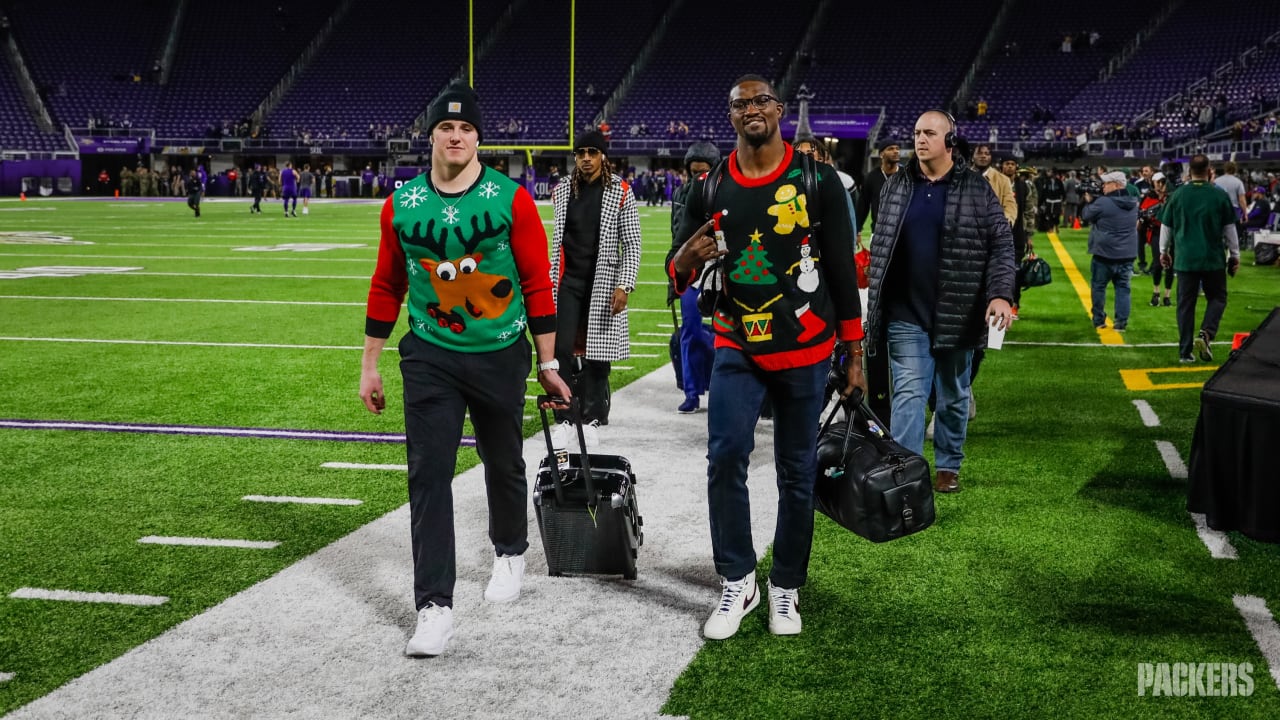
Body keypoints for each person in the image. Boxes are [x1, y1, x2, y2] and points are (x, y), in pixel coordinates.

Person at [359, 81, 570, 658]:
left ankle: (509, 551)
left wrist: (549, 361)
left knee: (502, 458)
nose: (456, 137)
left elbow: (535, 282)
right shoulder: (401, 205)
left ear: (479, 137)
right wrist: (370, 364)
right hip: (430, 353)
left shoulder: (511, 197)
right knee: (428, 472)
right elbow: (387, 285)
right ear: (431, 136)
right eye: (446, 128)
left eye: (466, 129)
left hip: (500, 349)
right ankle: (433, 605)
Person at [669, 74, 866, 640]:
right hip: (737, 339)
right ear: (729, 116)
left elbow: (842, 274)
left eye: (760, 101)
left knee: (796, 471)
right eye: (740, 104)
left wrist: (855, 354)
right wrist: (686, 254)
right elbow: (677, 271)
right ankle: (738, 579)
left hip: (806, 346)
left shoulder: (818, 180)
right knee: (725, 455)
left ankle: (786, 586)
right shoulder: (709, 188)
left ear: (778, 110)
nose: (751, 109)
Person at [866, 110, 1016, 495]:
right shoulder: (895, 186)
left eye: (929, 133)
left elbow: (1001, 243)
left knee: (952, 396)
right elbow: (882, 247)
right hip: (906, 312)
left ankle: (949, 466)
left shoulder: (975, 188)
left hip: (958, 311)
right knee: (910, 394)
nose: (920, 139)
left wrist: (1000, 294)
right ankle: (907, 472)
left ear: (949, 141)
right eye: (916, 132)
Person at [547, 129, 642, 446]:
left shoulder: (621, 191)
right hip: (568, 281)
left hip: (603, 280)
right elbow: (556, 242)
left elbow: (631, 244)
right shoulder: (562, 191)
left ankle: (592, 418)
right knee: (560, 351)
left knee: (599, 356)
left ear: (603, 156)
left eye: (592, 152)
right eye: (581, 152)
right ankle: (564, 416)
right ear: (575, 156)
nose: (586, 158)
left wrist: (625, 285)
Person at [1159, 154, 1239, 363]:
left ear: (1189, 172)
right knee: (1218, 298)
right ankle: (1207, 332)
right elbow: (1230, 229)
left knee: (1185, 305)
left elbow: (1166, 226)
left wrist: (1163, 251)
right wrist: (1235, 255)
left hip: (1185, 259)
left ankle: (1185, 352)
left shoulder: (1178, 195)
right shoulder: (1219, 195)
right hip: (1212, 258)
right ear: (1209, 170)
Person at [669, 141, 721, 414]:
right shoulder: (680, 193)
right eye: (695, 171)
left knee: (727, 331)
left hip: (719, 269)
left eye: (705, 171)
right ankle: (691, 392)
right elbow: (675, 235)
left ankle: (721, 385)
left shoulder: (725, 192)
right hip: (691, 274)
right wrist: (673, 275)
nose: (700, 176)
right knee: (689, 332)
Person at [1082, 171, 1139, 331]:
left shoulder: (1102, 202)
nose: (1103, 186)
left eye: (1107, 183)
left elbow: (1086, 215)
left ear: (1116, 185)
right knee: (1123, 288)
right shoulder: (1134, 202)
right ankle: (1121, 322)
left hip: (1104, 254)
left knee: (1099, 287)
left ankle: (1099, 320)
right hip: (1127, 254)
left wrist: (1089, 201)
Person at [1139, 173, 1174, 307]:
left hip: (1172, 233)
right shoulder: (1149, 197)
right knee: (1158, 264)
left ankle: (1167, 295)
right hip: (1156, 232)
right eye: (1157, 182)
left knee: (1171, 265)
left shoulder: (1172, 197)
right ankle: (1156, 292)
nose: (1160, 185)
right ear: (1153, 183)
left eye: (1162, 182)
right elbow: (1142, 214)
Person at [856, 137, 900, 238]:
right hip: (879, 233)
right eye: (890, 149)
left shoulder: (906, 175)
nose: (895, 151)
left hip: (902, 233)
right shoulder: (871, 177)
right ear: (881, 154)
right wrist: (858, 229)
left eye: (897, 148)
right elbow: (863, 205)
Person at [972, 144, 1016, 226]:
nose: (983, 156)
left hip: (993, 231)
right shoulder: (961, 178)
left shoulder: (1003, 180)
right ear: (972, 156)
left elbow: (1010, 205)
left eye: (987, 154)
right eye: (979, 153)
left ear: (991, 157)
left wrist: (1004, 223)